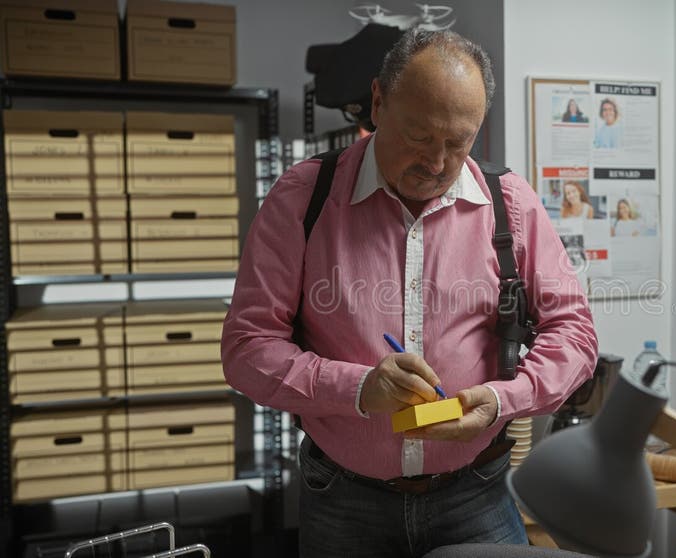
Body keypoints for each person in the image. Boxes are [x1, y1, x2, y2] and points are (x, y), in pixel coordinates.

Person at [221, 28, 597, 558]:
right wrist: (356, 388)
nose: (438, 163)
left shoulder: (508, 201)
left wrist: (498, 400)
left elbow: (576, 334)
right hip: (343, 499)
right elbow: (246, 348)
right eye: (419, 136)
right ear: (378, 101)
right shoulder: (304, 197)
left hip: (476, 494)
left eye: (459, 142)